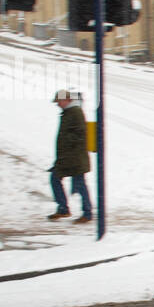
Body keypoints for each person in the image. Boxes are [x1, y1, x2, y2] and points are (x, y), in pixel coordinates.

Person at [49, 88, 92, 223]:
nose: (58, 104)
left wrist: (67, 144)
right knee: (56, 179)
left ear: (67, 100)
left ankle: (87, 212)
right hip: (68, 158)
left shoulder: (75, 113)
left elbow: (80, 135)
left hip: (74, 159)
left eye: (59, 101)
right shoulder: (68, 113)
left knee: (79, 184)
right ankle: (64, 209)